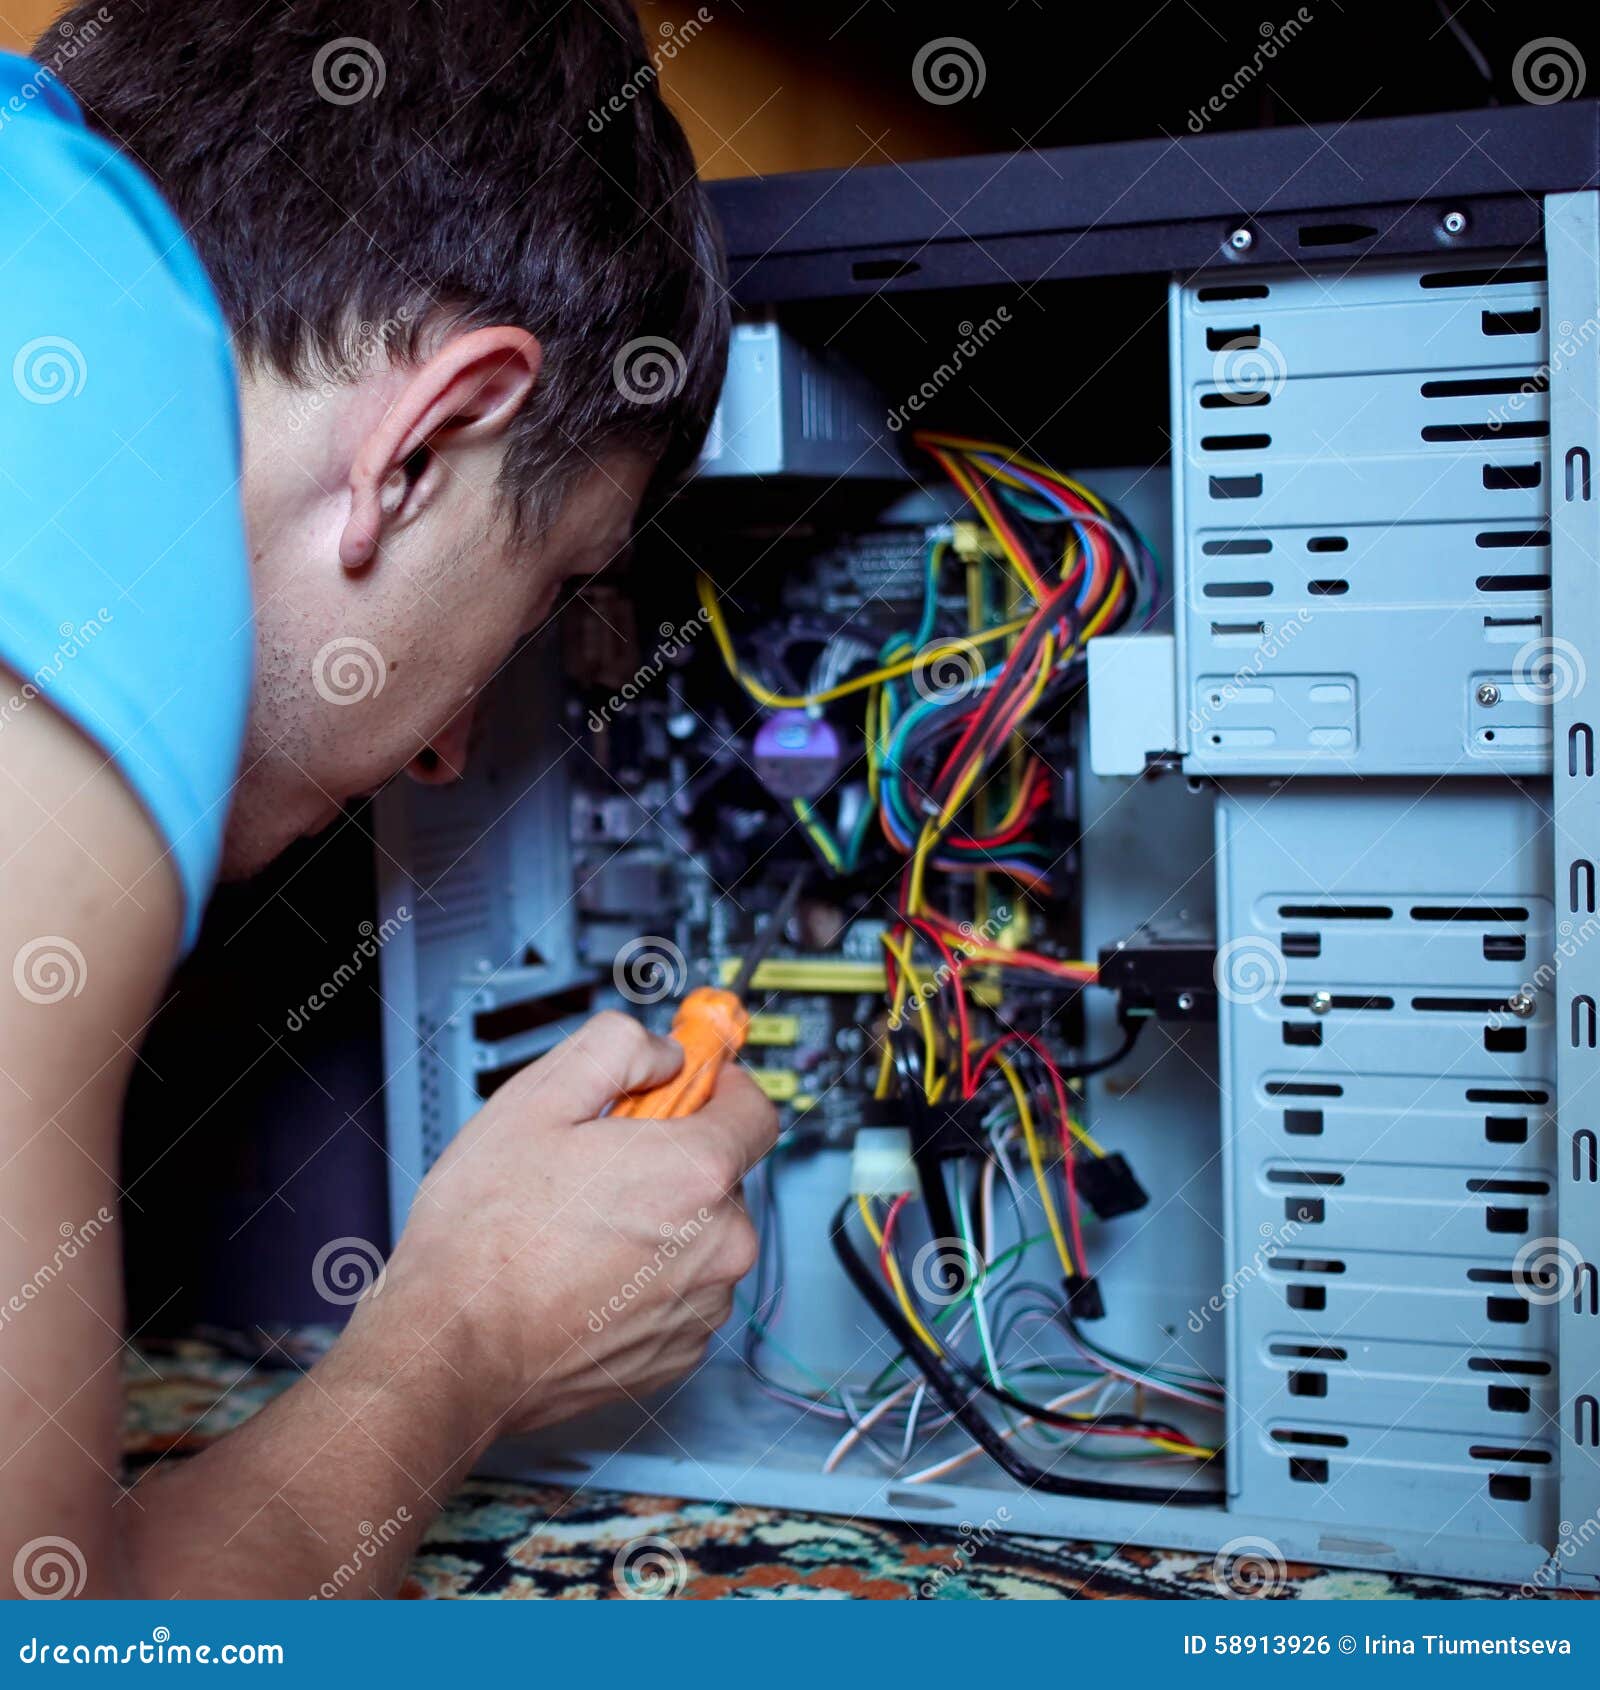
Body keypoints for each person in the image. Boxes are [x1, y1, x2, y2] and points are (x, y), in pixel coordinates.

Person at [0, 0, 774, 1598]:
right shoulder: (96, 447)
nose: (446, 749)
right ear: (424, 440)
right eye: (552, 582)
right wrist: (461, 1337)